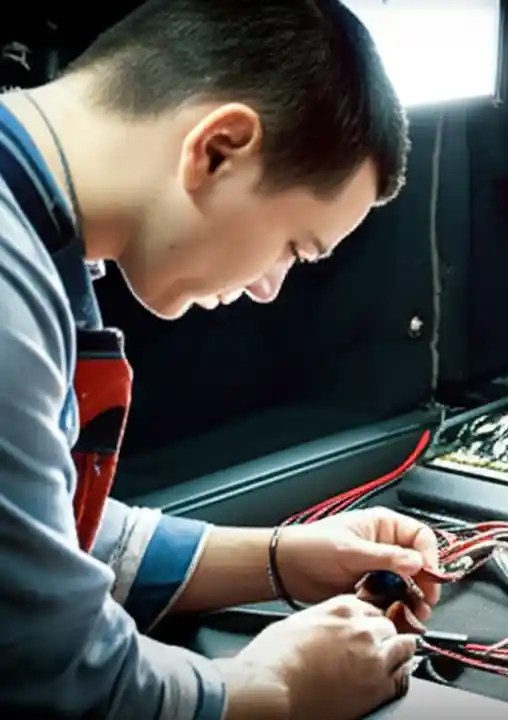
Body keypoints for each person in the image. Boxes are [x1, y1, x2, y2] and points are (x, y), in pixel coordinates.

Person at [0, 2, 443, 718]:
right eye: (295, 247)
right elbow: (52, 676)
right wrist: (277, 686)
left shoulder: (32, 242)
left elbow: (36, 541)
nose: (269, 288)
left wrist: (281, 558)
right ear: (219, 148)